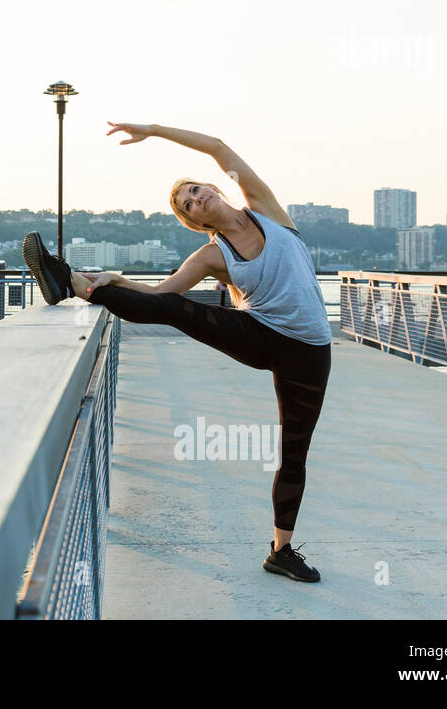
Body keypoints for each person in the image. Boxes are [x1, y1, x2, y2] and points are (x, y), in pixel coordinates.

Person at [21, 121, 332, 583]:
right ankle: (72, 282)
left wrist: (151, 130)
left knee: (294, 452)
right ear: (195, 221)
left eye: (194, 189)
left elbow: (219, 146)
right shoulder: (212, 255)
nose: (194, 197)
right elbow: (161, 296)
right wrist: (115, 281)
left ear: (211, 188)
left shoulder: (267, 210)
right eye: (187, 204)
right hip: (260, 333)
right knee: (175, 309)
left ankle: (281, 552)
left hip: (311, 352)